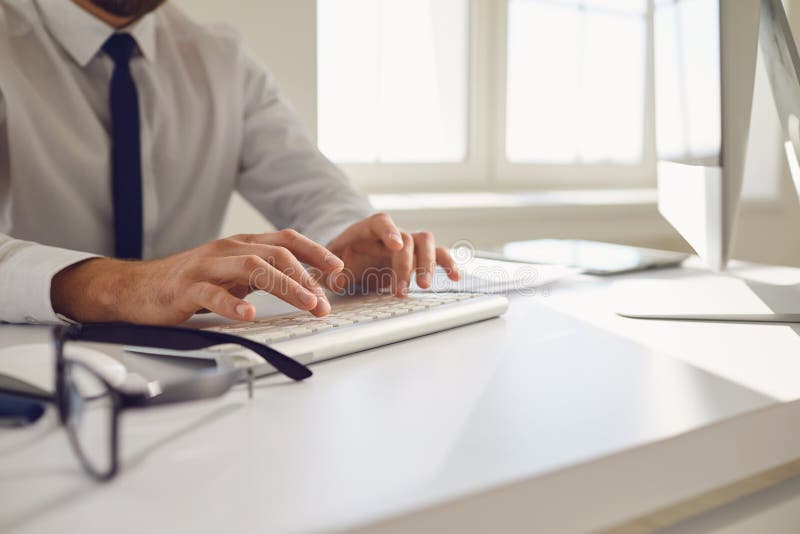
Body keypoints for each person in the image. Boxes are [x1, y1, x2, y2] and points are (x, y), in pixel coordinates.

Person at [0, 0, 459, 325]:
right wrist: (124, 286)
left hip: (198, 377)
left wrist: (349, 247)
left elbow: (315, 191)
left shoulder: (222, 59)